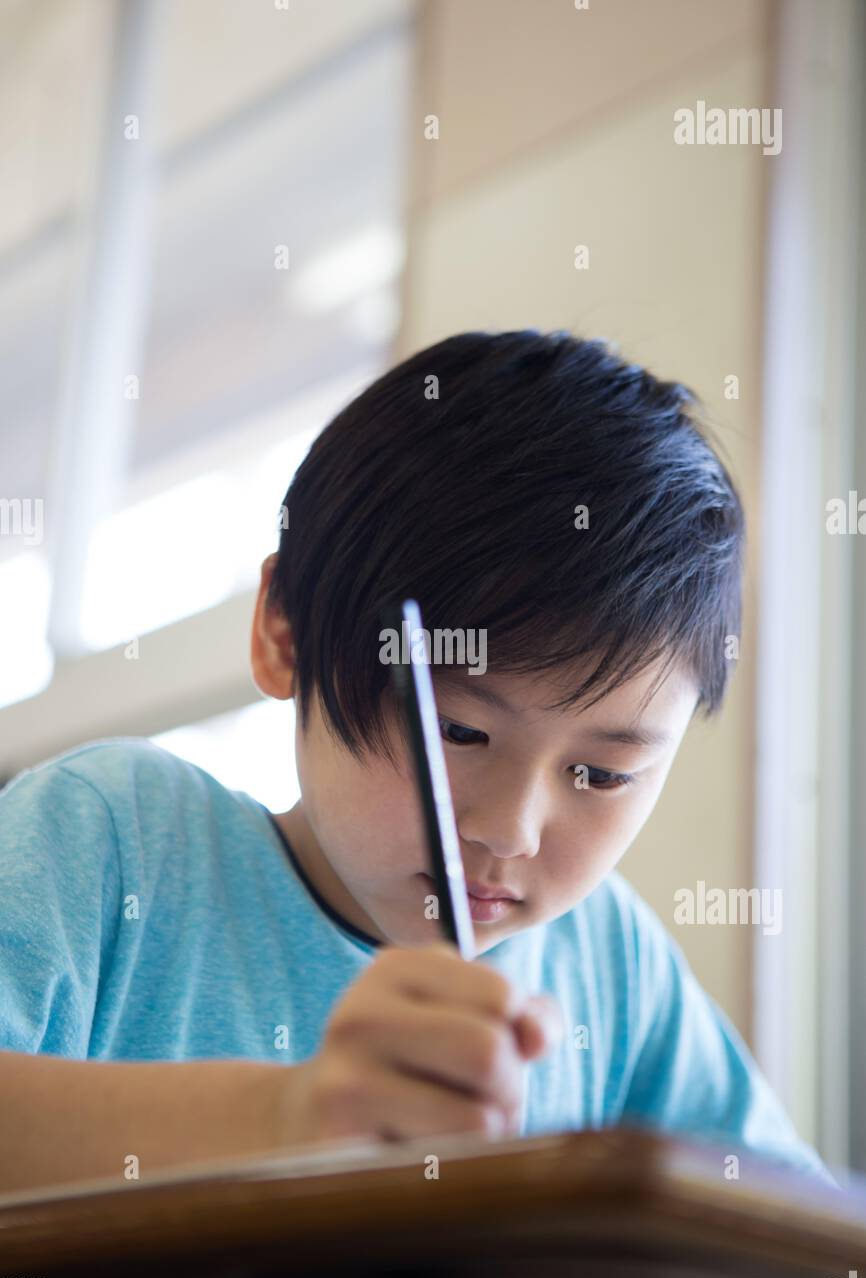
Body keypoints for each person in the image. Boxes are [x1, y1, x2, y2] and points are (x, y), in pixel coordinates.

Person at [0, 330, 834, 1192]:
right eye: (460, 732)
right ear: (284, 634)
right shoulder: (110, 839)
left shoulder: (609, 962)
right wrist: (285, 1120)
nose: (508, 832)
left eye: (601, 775)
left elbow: (789, 1241)